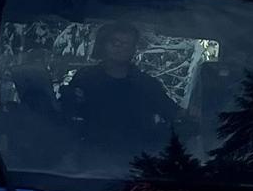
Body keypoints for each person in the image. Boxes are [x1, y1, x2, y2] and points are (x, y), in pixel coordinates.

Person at [62, 21, 186, 161]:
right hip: (90, 161)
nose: (120, 48)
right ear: (103, 45)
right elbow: (67, 115)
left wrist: (187, 118)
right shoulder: (85, 79)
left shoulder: (146, 85)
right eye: (115, 42)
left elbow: (173, 113)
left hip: (138, 164)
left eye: (126, 43)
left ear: (134, 48)